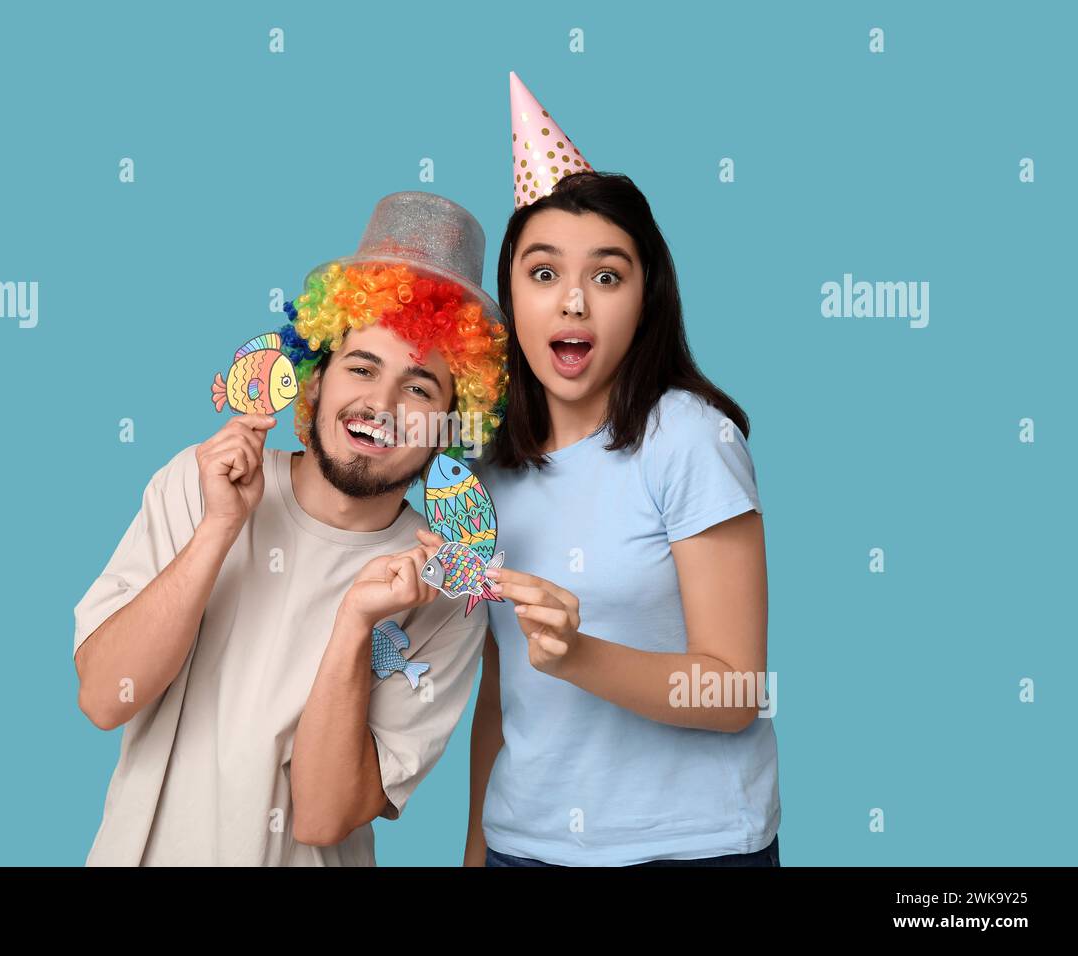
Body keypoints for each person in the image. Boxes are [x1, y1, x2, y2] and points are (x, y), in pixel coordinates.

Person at [73, 190, 508, 865]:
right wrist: (218, 531)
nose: (381, 404)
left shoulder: (444, 588)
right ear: (318, 380)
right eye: (361, 367)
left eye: (420, 388)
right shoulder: (198, 484)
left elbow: (326, 816)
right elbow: (104, 698)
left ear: (455, 422)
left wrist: (356, 624)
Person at [458, 73, 780, 867]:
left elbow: (735, 691)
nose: (574, 302)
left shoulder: (690, 442)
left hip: (691, 849)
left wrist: (579, 656)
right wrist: (475, 849)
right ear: (510, 297)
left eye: (606, 275)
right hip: (524, 848)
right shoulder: (482, 472)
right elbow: (499, 692)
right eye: (543, 273)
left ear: (646, 298)